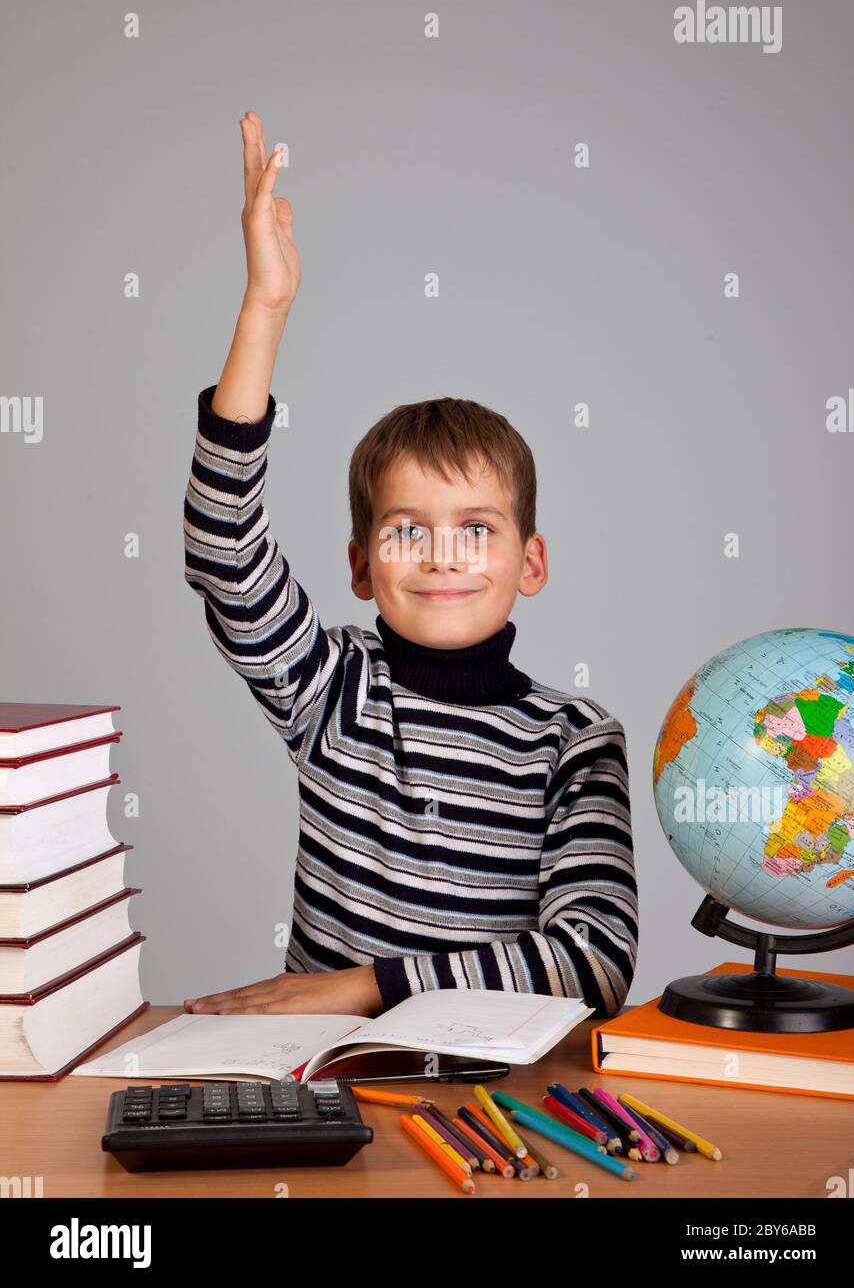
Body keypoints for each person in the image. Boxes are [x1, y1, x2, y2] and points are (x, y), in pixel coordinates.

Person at [182, 110, 638, 1019]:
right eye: (405, 531)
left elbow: (593, 963)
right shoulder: (334, 686)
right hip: (327, 1089)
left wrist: (363, 990)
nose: (440, 555)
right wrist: (264, 310)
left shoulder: (574, 739)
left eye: (477, 528)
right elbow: (225, 552)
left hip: (494, 1096)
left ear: (530, 560)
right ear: (360, 565)